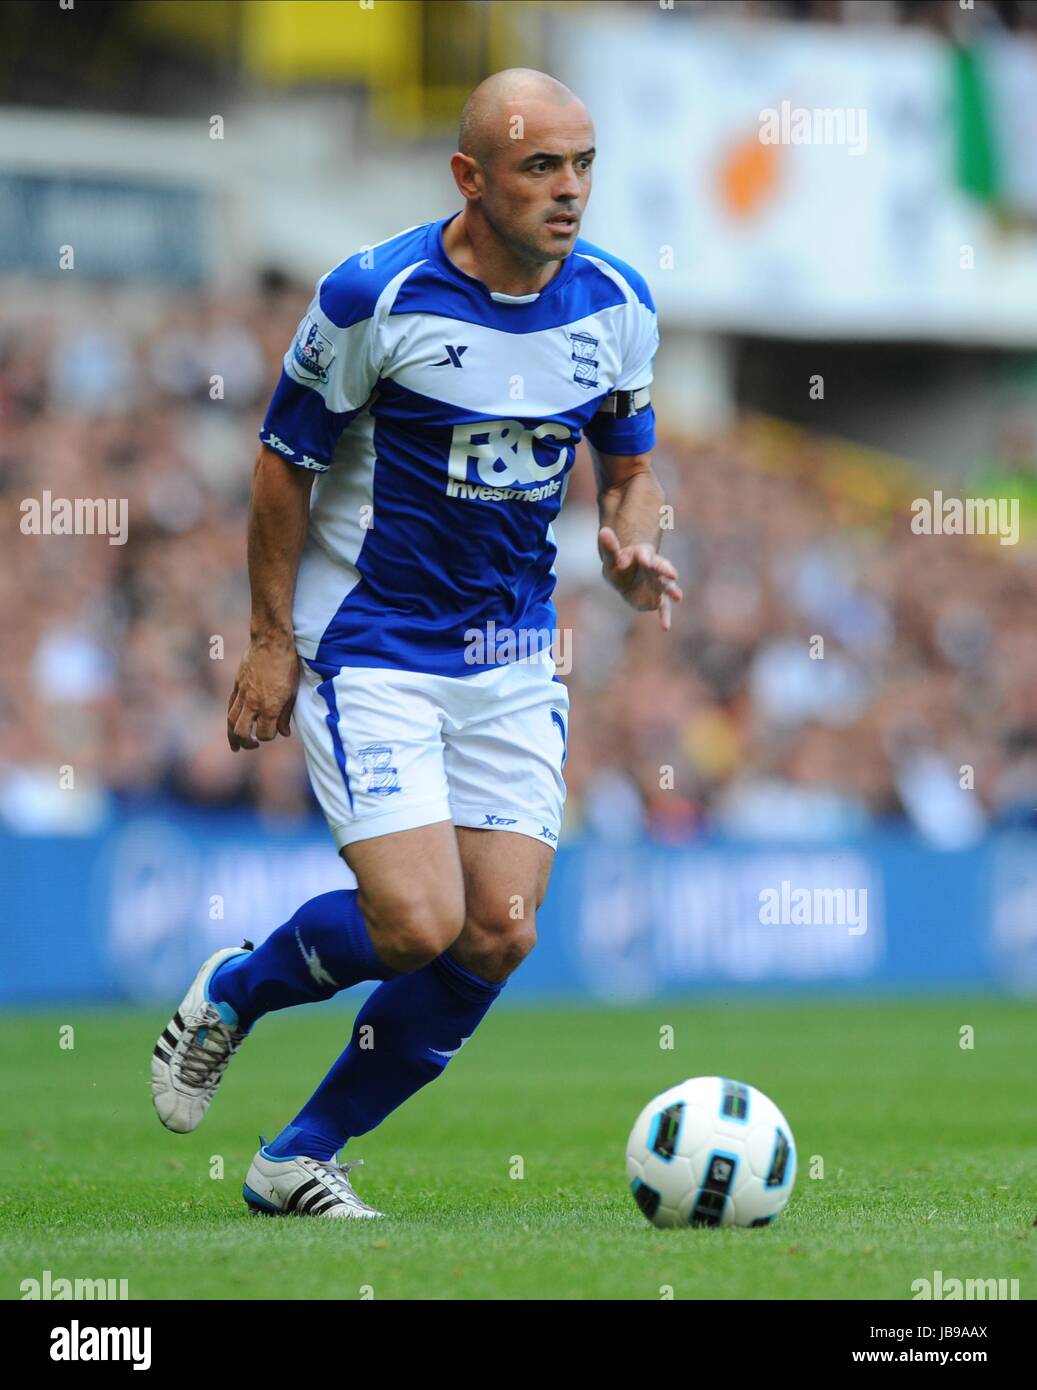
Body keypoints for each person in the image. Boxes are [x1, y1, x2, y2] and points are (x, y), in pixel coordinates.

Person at [150, 68, 681, 1218]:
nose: (569, 190)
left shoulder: (619, 303)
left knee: (497, 931)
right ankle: (237, 989)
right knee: (414, 923)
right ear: (469, 175)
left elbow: (629, 470)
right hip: (375, 649)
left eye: (583, 164)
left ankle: (298, 1155)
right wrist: (267, 639)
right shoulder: (371, 296)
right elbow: (281, 465)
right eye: (541, 166)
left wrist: (633, 545)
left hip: (513, 661)